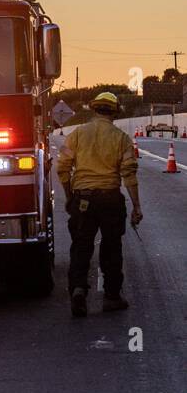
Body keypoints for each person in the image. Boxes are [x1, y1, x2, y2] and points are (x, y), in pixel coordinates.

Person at [56, 92, 141, 317]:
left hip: (83, 198)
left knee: (81, 246)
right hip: (110, 199)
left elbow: (62, 167)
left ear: (94, 110)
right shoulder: (121, 138)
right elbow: (129, 175)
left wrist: (69, 196)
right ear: (114, 112)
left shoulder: (76, 135)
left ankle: (78, 289)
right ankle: (112, 297)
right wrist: (136, 207)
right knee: (112, 247)